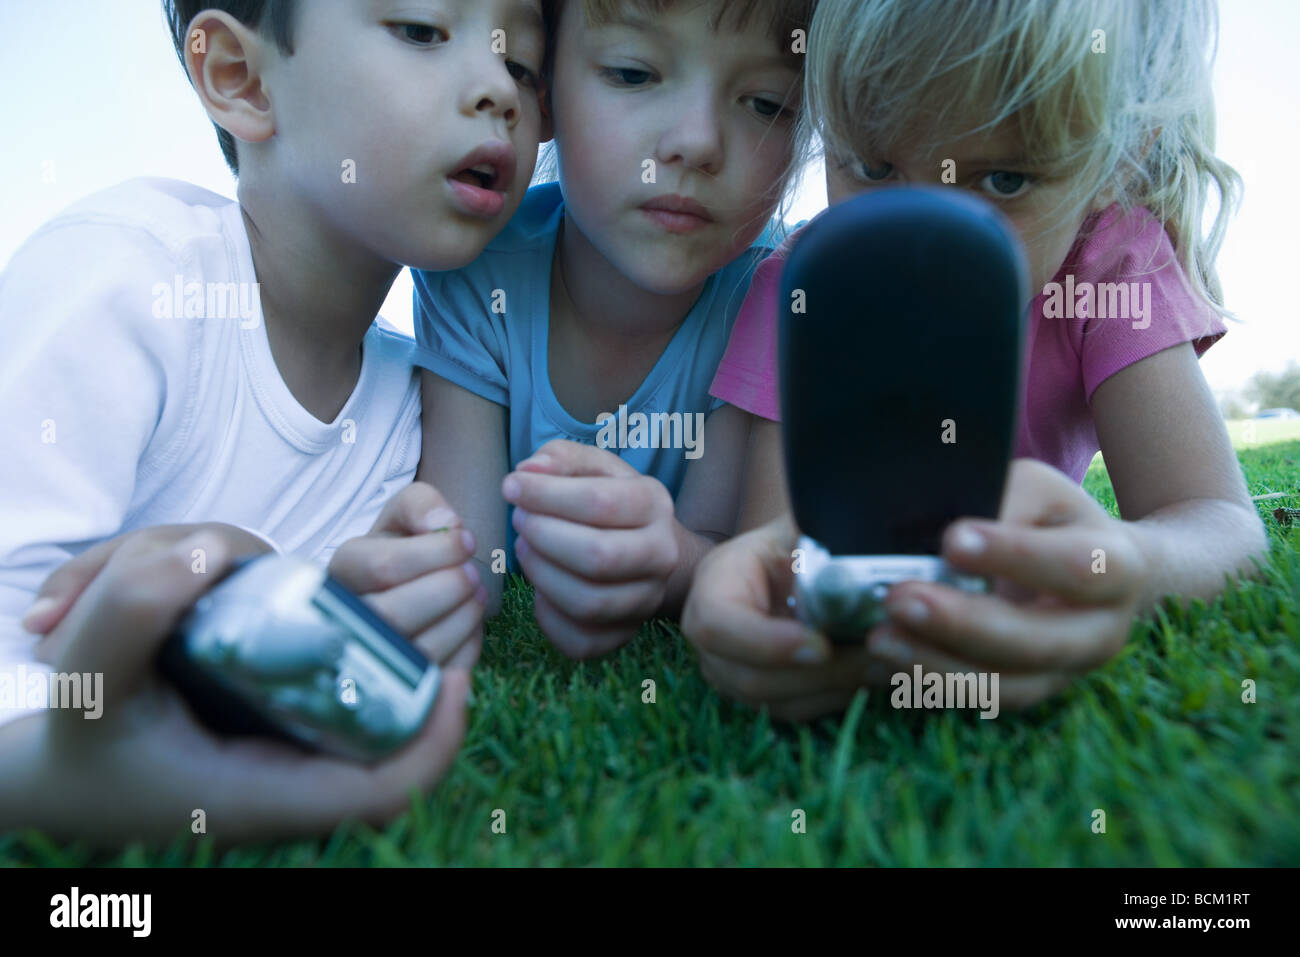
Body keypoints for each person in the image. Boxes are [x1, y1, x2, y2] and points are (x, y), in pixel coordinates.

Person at [0, 0, 552, 843]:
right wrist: (54, 773)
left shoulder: (415, 408)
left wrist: (385, 600)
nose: (498, 92)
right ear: (240, 76)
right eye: (421, 31)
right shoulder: (128, 276)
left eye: (525, 63)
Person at [682, 0, 1268, 720]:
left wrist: (1125, 567)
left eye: (1004, 181)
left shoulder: (1109, 268)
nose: (923, 247)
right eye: (872, 165)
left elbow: (1223, 526)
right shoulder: (808, 288)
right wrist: (770, 605)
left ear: (1110, 163)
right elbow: (783, 541)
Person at [412, 0, 815, 658]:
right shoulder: (476, 278)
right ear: (541, 92)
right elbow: (467, 566)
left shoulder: (774, 299)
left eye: (767, 103)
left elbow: (746, 562)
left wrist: (672, 564)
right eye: (633, 73)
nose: (698, 141)